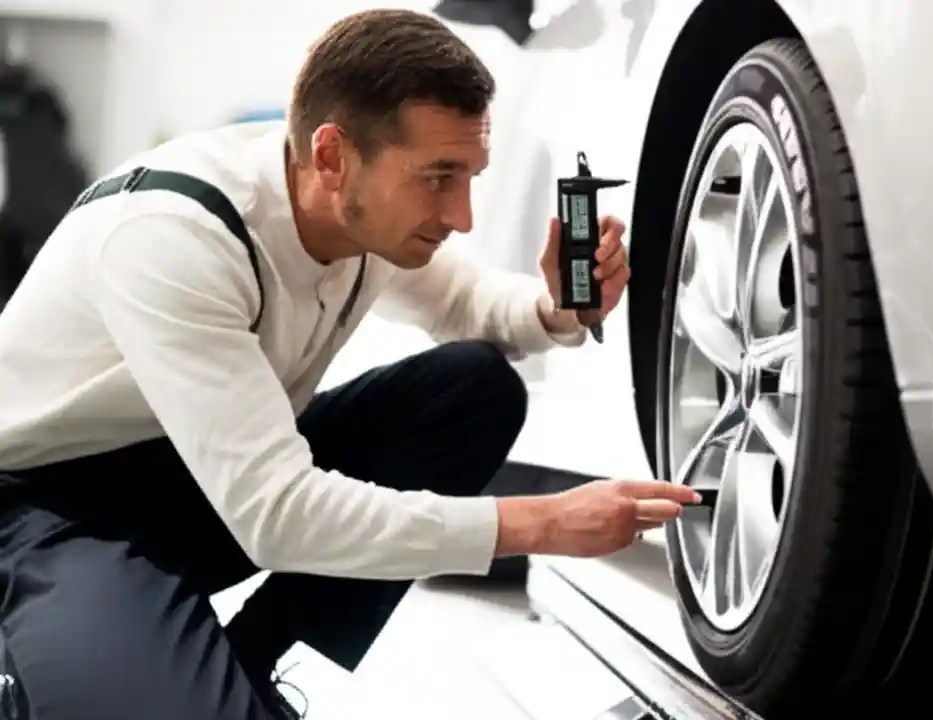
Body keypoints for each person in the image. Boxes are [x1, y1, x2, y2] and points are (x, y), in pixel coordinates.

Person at [0, 8, 698, 719]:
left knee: (474, 389)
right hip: (47, 509)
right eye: (439, 177)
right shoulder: (172, 239)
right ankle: (47, 652)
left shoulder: (353, 214)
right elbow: (278, 515)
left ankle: (251, 661)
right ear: (333, 155)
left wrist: (560, 309)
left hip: (201, 482)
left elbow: (467, 302)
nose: (461, 215)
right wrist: (542, 523)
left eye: (469, 177)